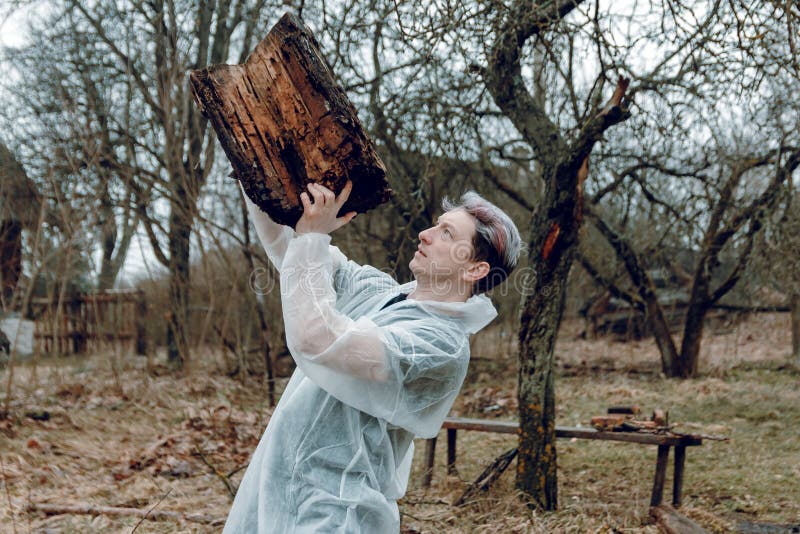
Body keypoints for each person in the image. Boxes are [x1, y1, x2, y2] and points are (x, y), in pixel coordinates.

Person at [223, 180, 523, 533]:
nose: (425, 234)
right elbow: (293, 250)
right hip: (278, 494)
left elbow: (319, 340)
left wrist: (312, 239)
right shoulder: (381, 295)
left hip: (339, 515)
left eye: (446, 233)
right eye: (435, 225)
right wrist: (254, 174)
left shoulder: (439, 346)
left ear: (475, 269)